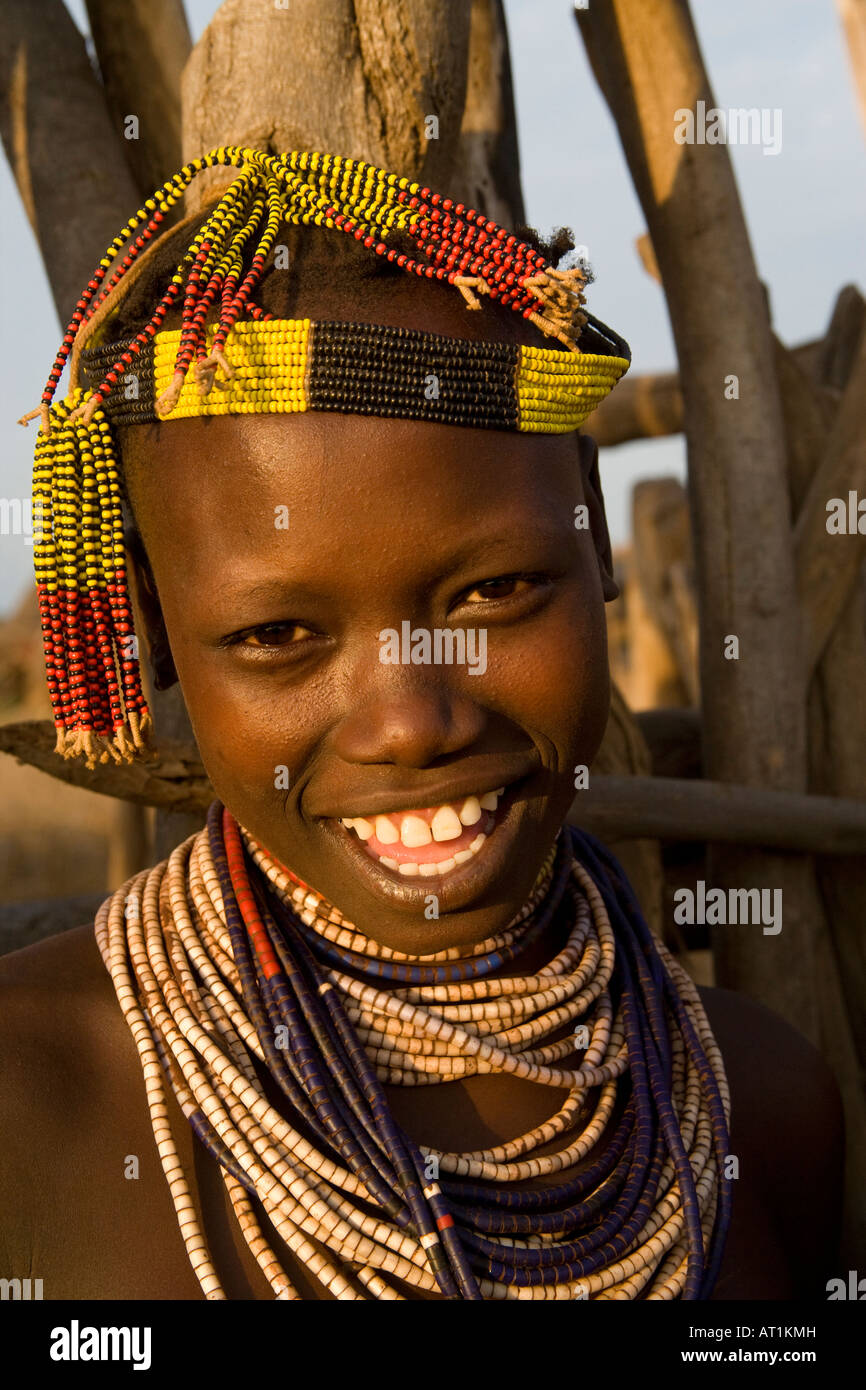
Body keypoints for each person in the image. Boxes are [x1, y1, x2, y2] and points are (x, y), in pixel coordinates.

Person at [0, 148, 843, 1301]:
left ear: (590, 537)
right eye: (278, 633)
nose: (409, 723)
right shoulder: (28, 1103)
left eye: (491, 593)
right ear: (152, 631)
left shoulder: (758, 1103)